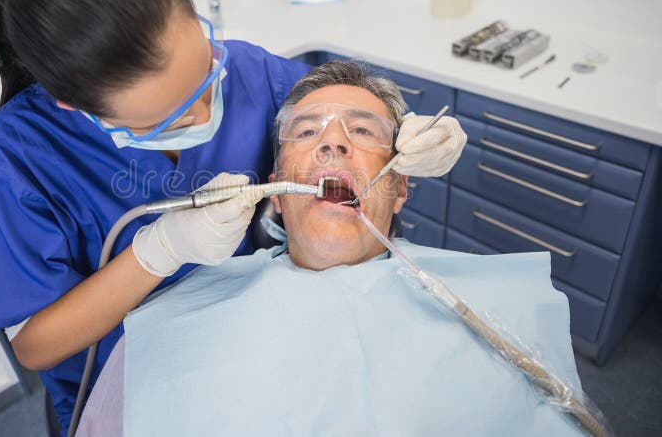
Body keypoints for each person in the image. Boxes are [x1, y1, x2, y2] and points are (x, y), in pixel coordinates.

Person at [0, 0, 467, 434]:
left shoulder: (248, 70)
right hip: (136, 384)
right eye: (174, 118)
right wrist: (159, 251)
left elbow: (336, 110)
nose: (208, 112)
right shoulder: (26, 149)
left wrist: (410, 133)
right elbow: (34, 345)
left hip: (260, 339)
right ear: (76, 106)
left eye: (207, 71)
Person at [77, 62, 585, 436]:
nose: (333, 142)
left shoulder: (501, 320)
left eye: (362, 129)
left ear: (400, 186)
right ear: (276, 189)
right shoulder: (172, 328)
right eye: (306, 130)